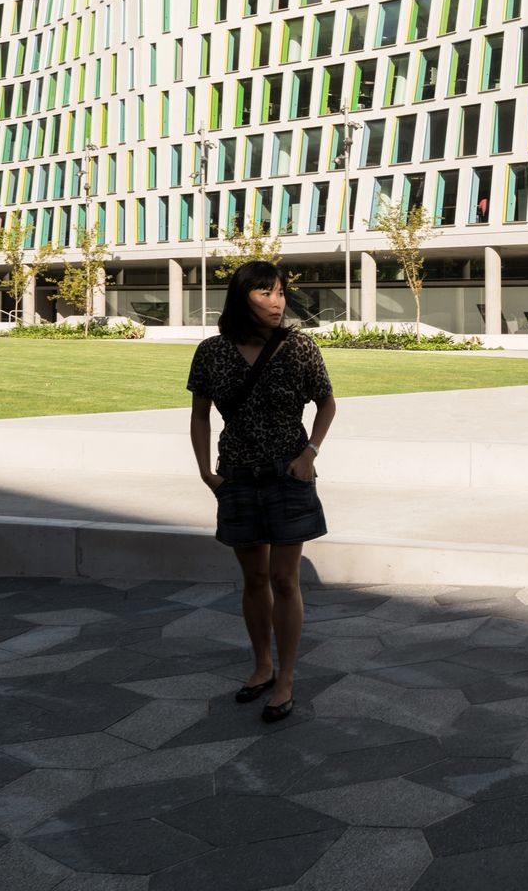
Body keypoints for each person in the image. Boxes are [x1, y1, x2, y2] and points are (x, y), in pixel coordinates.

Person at [187, 261, 336, 723]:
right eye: (265, 293)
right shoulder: (212, 352)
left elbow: (327, 403)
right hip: (236, 476)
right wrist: (205, 473)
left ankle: (286, 678)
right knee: (253, 579)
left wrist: (309, 453)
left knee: (284, 580)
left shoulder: (299, 348)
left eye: (280, 293)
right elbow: (199, 415)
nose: (277, 302)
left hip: (288, 474)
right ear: (241, 297)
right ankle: (262, 666)